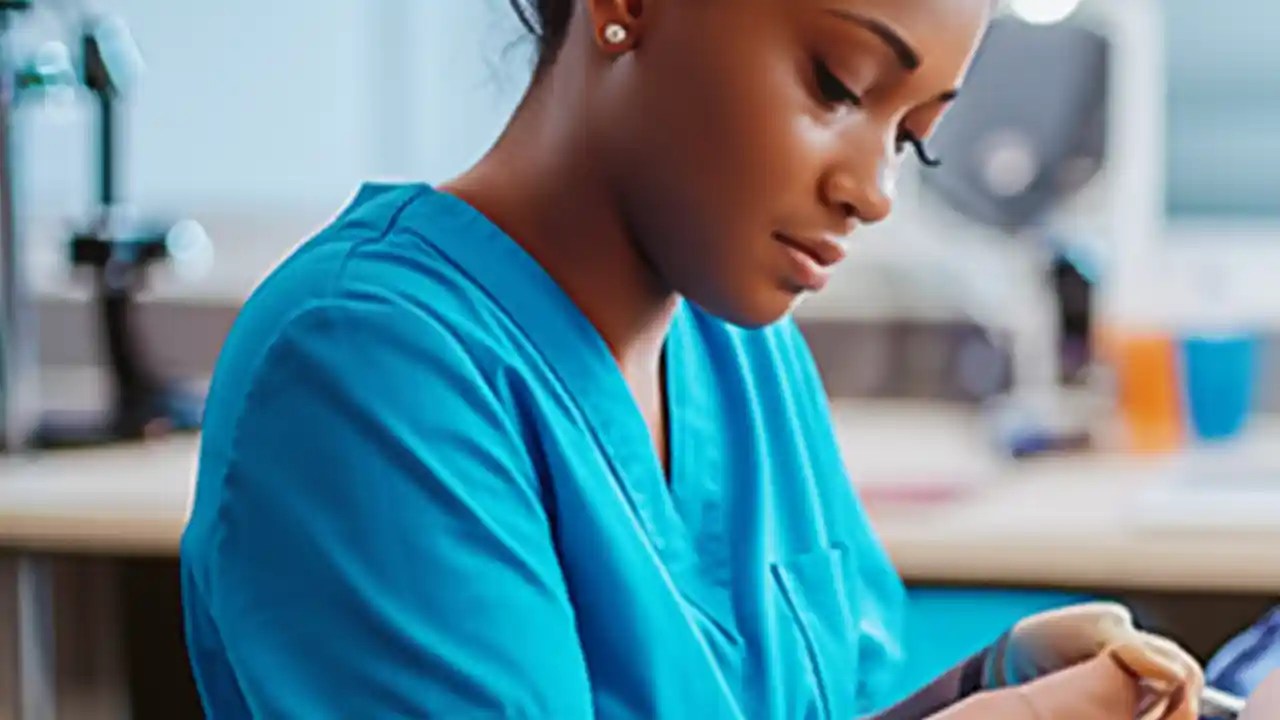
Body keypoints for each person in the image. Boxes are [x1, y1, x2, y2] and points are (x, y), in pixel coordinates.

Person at [179, 0, 1204, 717]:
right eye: (836, 86)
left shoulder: (738, 353)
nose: (873, 190)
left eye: (912, 135)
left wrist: (983, 685)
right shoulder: (365, 371)